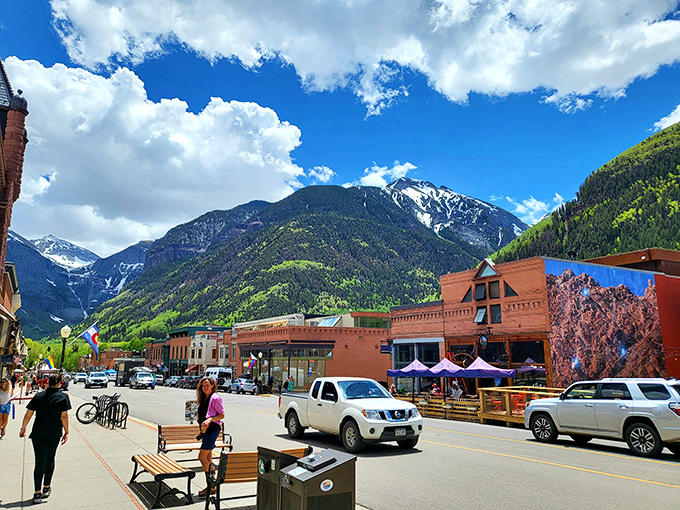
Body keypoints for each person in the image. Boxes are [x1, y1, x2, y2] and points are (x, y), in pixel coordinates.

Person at [19, 374, 71, 504]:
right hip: (54, 433)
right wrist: (66, 431)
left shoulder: (39, 396)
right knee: (50, 458)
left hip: (38, 433)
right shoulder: (63, 397)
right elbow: (64, 416)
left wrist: (23, 427)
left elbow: (29, 413)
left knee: (39, 461)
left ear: (48, 382)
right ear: (59, 383)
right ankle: (46, 487)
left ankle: (37, 493)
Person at [195, 377, 225, 498]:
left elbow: (222, 415)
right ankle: (212, 486)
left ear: (213, 385)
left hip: (212, 430)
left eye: (207, 385)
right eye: (203, 386)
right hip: (205, 431)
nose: (205, 387)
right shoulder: (204, 398)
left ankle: (212, 485)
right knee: (208, 458)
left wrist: (210, 419)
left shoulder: (215, 398)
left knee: (201, 457)